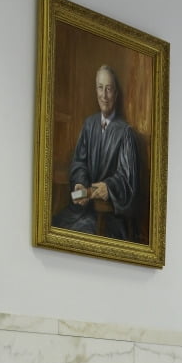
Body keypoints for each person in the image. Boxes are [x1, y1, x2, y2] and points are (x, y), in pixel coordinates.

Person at [53, 64, 140, 241]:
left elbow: (127, 179)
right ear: (96, 90)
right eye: (100, 88)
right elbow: (79, 162)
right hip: (83, 209)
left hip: (108, 217)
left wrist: (108, 187)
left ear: (115, 94)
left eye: (109, 89)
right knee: (56, 225)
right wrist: (79, 183)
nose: (104, 95)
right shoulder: (89, 125)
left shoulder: (125, 133)